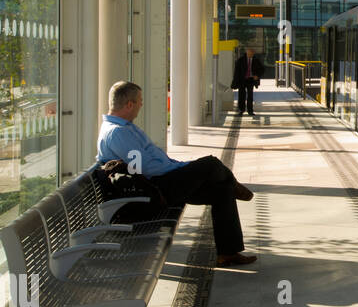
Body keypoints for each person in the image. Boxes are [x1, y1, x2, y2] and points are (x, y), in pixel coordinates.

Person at [96, 80, 258, 267]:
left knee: (222, 191)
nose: (142, 104)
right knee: (211, 164)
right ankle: (234, 184)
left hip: (158, 184)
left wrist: (182, 167)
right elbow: (146, 168)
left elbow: (154, 162)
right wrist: (180, 170)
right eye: (140, 101)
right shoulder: (117, 133)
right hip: (153, 191)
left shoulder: (125, 128)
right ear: (129, 104)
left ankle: (228, 254)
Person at [231, 46, 265, 117]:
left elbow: (262, 69)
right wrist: (235, 81)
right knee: (241, 95)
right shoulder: (240, 60)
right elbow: (236, 71)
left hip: (251, 80)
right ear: (246, 53)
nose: (250, 55)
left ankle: (250, 111)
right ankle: (241, 110)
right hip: (242, 80)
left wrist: (257, 75)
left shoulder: (256, 60)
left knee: (250, 96)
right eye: (249, 54)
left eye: (252, 54)